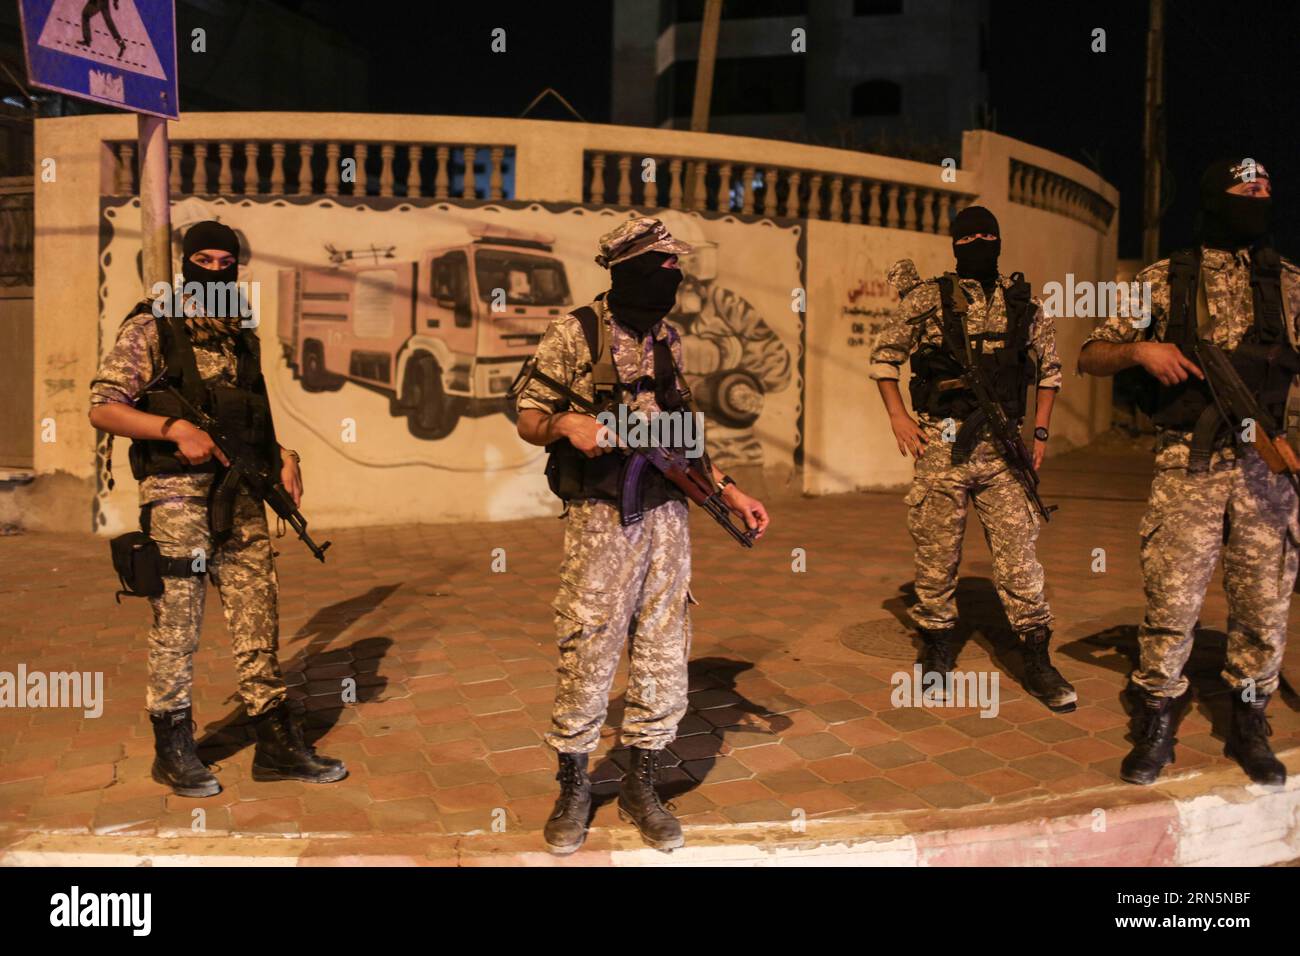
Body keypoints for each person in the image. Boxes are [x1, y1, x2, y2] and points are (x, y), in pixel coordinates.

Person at [514, 217, 770, 853]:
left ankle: (642, 784)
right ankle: (574, 785)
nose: (672, 278)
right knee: (590, 643)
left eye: (674, 268)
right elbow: (526, 416)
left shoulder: (667, 339)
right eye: (661, 266)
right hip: (602, 519)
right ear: (626, 267)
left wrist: (729, 489)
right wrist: (567, 425)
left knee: (663, 648)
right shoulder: (576, 332)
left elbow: (683, 435)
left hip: (668, 518)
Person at [89, 220, 346, 797]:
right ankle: (173, 741)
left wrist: (283, 454)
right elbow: (103, 407)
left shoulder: (238, 331)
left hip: (242, 490)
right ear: (185, 264)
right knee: (177, 619)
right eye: (200, 259)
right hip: (177, 494)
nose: (213, 269)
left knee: (259, 611)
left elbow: (250, 413)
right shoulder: (153, 324)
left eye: (223, 260)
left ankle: (275, 740)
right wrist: (173, 427)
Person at [1078, 158, 1298, 786]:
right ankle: (1155, 713)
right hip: (1187, 465)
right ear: (1214, 196)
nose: (1258, 197)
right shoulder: (1163, 278)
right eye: (1245, 188)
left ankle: (1250, 719)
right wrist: (1139, 350)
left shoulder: (1288, 282)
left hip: (1266, 467)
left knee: (1264, 605)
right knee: (1171, 602)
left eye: (1266, 189)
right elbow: (1091, 355)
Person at [870, 206, 1076, 712]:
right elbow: (884, 358)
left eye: (989, 234)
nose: (981, 242)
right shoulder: (928, 298)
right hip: (942, 447)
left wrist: (1041, 434)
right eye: (970, 236)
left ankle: (1037, 655)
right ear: (955, 244)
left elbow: (1049, 371)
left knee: (1020, 559)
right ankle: (938, 646)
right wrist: (898, 417)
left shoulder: (1024, 302)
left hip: (1003, 451)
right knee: (937, 554)